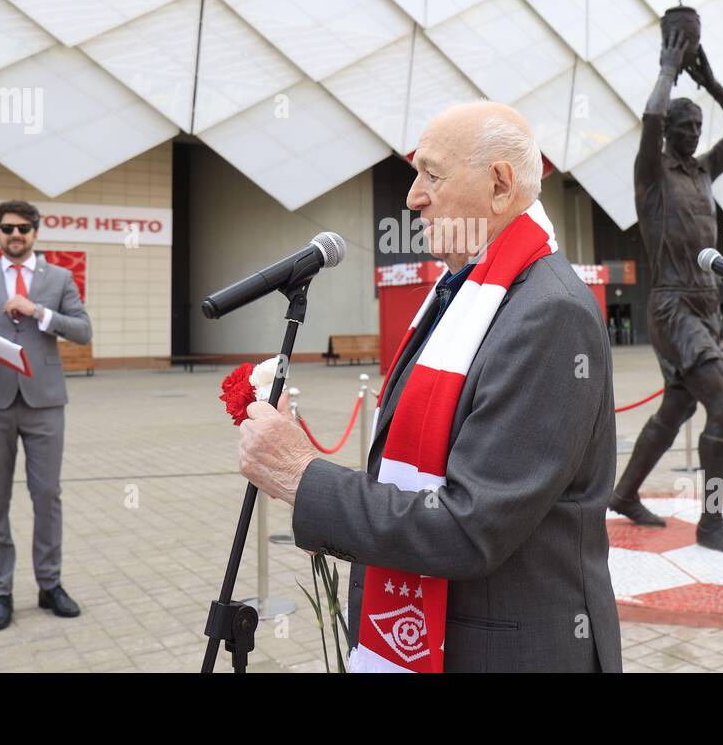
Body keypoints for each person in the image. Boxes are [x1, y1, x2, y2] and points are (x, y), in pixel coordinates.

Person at [236, 102, 620, 673]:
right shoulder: (462, 294)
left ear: (498, 185)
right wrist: (336, 512)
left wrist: (302, 478)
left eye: (431, 175)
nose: (413, 197)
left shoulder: (548, 314)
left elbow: (469, 528)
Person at [608, 27, 723, 556]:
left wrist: (711, 81)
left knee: (677, 408)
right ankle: (711, 523)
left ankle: (624, 493)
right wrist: (669, 69)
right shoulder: (652, 174)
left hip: (706, 301)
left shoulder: (703, 172)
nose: (693, 132)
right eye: (685, 125)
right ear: (669, 130)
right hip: (672, 303)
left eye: (698, 126)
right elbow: (649, 117)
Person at [0, 201, 92, 630]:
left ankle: (50, 585)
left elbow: (83, 330)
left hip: (44, 401)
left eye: (24, 228)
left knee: (47, 495)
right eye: (8, 228)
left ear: (35, 232)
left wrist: (39, 311)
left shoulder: (59, 278)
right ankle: (1, 592)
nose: (16, 234)